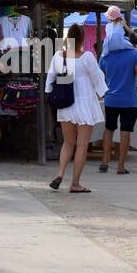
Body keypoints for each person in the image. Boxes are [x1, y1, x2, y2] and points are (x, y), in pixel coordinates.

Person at [45, 23, 106, 193]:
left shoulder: (59, 56)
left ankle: (59, 173)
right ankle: (75, 183)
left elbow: (50, 79)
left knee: (68, 142)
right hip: (85, 104)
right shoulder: (87, 57)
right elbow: (97, 79)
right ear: (83, 38)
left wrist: (50, 94)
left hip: (66, 104)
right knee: (81, 145)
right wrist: (103, 93)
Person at [98, 23, 137, 175]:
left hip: (110, 99)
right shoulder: (133, 54)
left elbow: (100, 76)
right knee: (125, 132)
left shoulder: (105, 56)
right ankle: (120, 166)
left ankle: (105, 161)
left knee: (109, 129)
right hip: (129, 100)